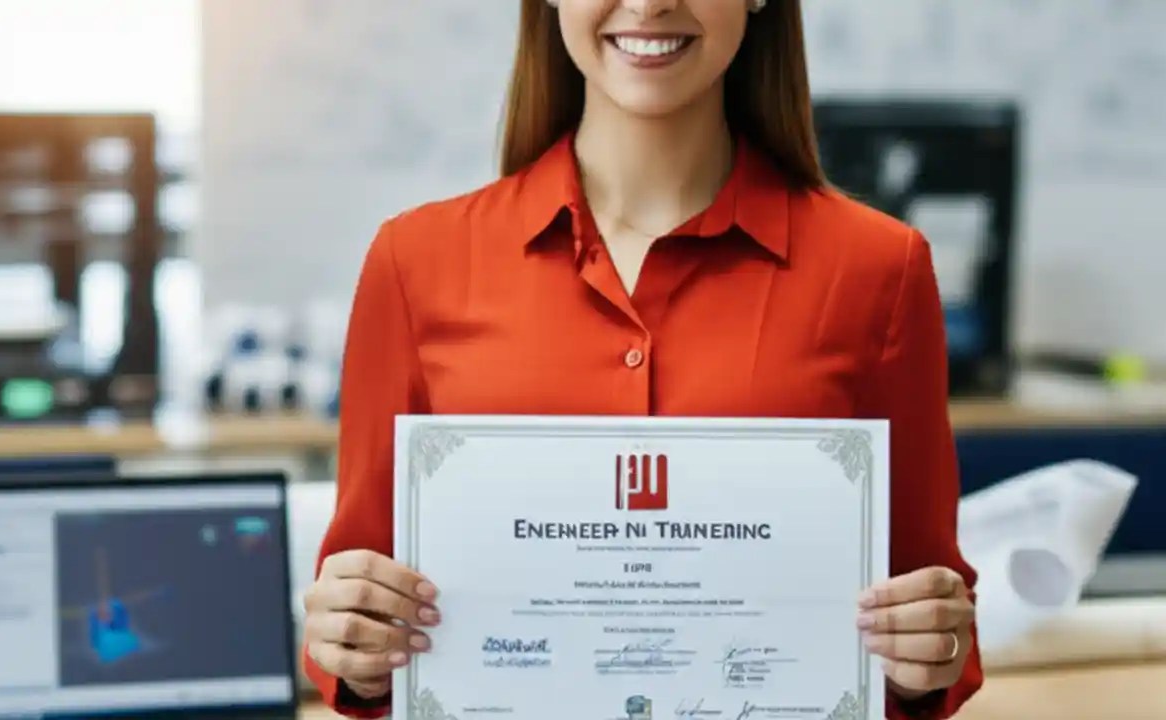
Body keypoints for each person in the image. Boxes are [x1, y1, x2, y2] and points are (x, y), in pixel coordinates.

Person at [301, 0, 983, 718]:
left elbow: (934, 619)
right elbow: (356, 618)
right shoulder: (415, 264)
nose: (651, 3)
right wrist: (355, 647)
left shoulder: (880, 271)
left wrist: (928, 654)